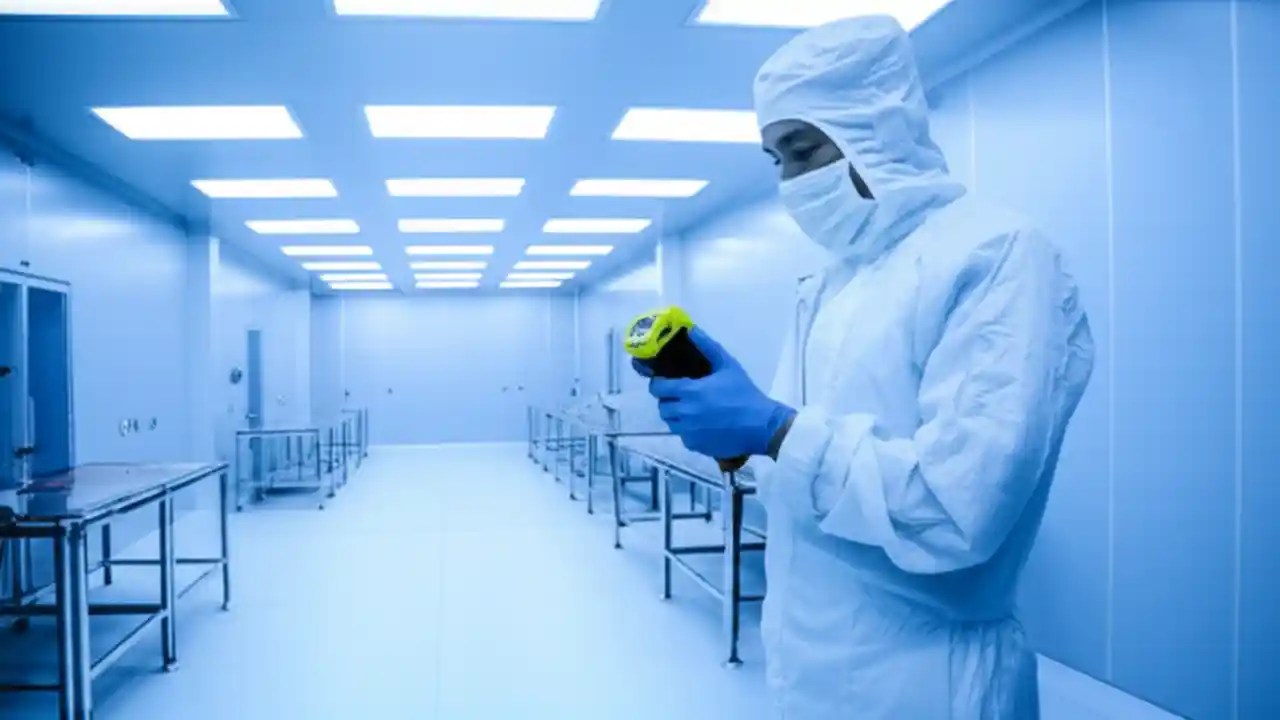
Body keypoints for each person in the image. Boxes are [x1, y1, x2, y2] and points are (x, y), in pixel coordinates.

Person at [637, 15, 1095, 719]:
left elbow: (955, 512)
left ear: (872, 129)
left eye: (801, 148)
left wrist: (777, 431)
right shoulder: (831, 282)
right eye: (775, 159)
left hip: (925, 681)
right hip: (809, 666)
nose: (789, 179)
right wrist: (746, 438)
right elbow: (809, 473)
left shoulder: (996, 257)